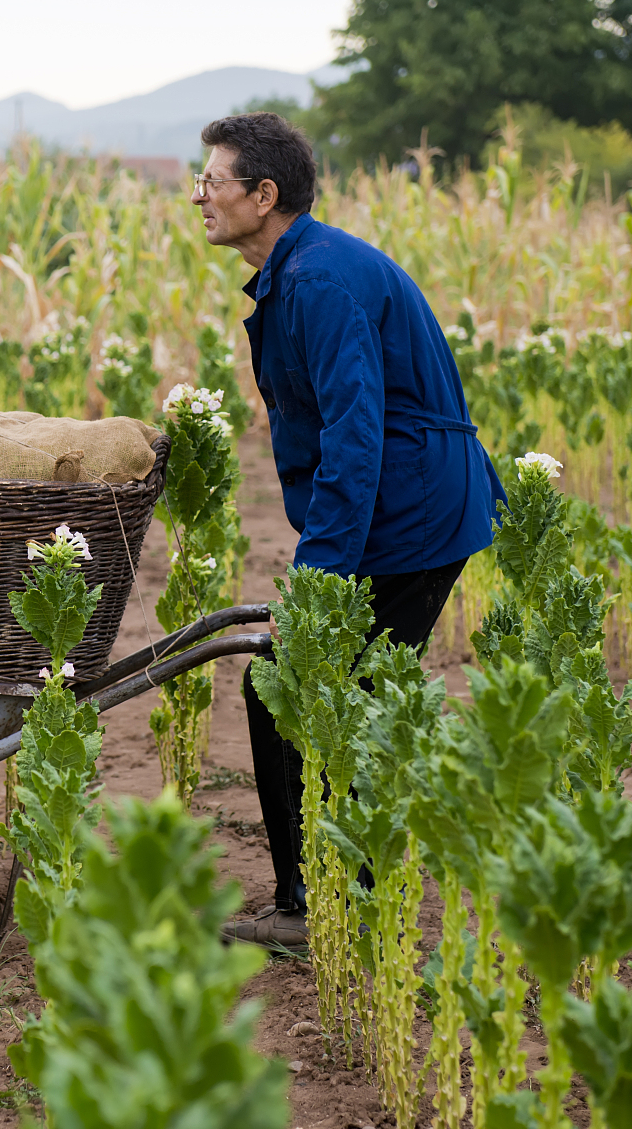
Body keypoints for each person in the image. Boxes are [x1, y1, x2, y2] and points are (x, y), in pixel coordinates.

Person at [194, 112, 505, 953]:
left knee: (305, 686)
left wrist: (321, 575)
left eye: (214, 179)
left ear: (265, 194)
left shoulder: (321, 280)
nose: (200, 193)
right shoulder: (302, 270)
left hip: (411, 510)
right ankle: (327, 901)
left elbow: (357, 436)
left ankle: (328, 910)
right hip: (411, 504)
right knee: (311, 688)